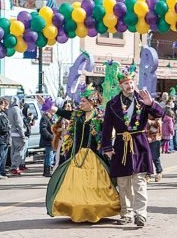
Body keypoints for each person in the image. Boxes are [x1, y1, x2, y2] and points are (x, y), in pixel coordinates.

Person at [44, 84, 120, 223]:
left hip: (94, 157)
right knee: (76, 186)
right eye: (81, 101)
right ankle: (76, 210)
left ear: (92, 102)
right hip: (77, 156)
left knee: (94, 186)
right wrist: (46, 104)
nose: (81, 103)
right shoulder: (77, 115)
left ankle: (95, 210)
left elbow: (110, 132)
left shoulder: (101, 117)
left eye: (84, 101)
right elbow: (61, 112)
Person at [101, 68, 163, 227]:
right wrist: (107, 147)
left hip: (139, 143)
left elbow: (159, 114)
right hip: (121, 144)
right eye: (125, 83)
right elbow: (107, 127)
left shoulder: (143, 100)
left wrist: (151, 104)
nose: (129, 86)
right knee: (123, 181)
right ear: (120, 86)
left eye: (131, 82)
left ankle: (141, 214)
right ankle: (126, 212)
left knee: (140, 180)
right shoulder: (112, 104)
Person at [50, 101, 72, 169]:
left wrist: (68, 128)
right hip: (61, 141)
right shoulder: (60, 118)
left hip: (70, 142)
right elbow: (54, 128)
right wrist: (60, 129)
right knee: (59, 159)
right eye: (66, 106)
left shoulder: (74, 117)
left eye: (69, 106)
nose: (68, 107)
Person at [8, 96, 26, 175]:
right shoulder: (16, 110)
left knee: (13, 151)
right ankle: (15, 167)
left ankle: (14, 167)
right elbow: (19, 123)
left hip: (11, 133)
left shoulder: (9, 109)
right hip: (17, 133)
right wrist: (22, 135)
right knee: (19, 151)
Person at [0, 99, 11, 179]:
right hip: (1, 138)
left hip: (5, 139)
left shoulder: (3, 114)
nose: (4, 107)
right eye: (2, 105)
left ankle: (2, 171)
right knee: (0, 156)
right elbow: (2, 128)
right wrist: (8, 128)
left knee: (4, 156)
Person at [146, 115, 163, 182]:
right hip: (145, 139)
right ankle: (148, 174)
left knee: (155, 157)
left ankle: (159, 172)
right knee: (147, 157)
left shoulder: (156, 115)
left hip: (155, 139)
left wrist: (149, 122)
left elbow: (157, 125)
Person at [39, 110, 54, 177]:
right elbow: (43, 129)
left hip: (51, 140)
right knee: (49, 155)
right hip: (48, 140)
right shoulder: (44, 118)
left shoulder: (49, 118)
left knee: (50, 155)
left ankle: (47, 170)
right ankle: (47, 171)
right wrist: (51, 137)